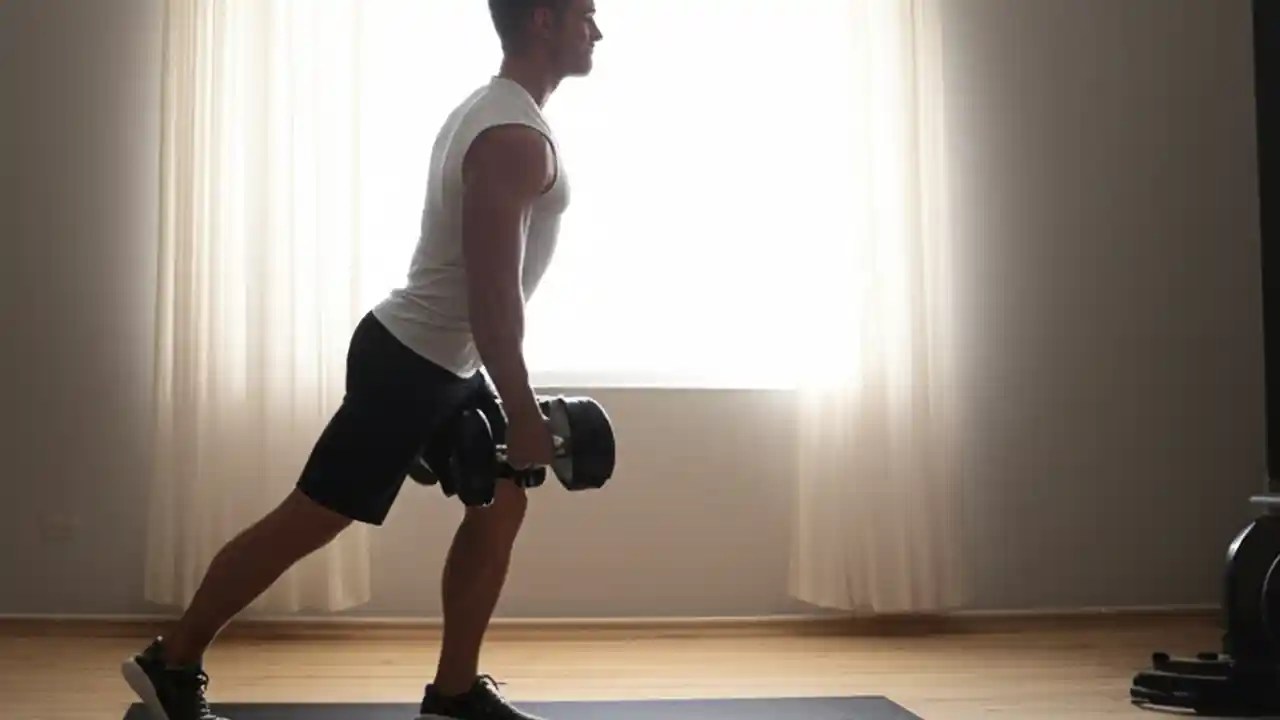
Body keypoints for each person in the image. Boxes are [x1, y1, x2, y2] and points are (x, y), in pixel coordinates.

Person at [121, 1, 603, 718]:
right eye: (586, 15)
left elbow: (487, 305)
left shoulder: (504, 113)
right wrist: (524, 412)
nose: (597, 30)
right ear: (543, 21)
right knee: (311, 518)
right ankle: (172, 660)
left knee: (502, 499)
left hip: (445, 361)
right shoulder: (510, 136)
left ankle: (454, 692)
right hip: (410, 363)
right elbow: (493, 297)